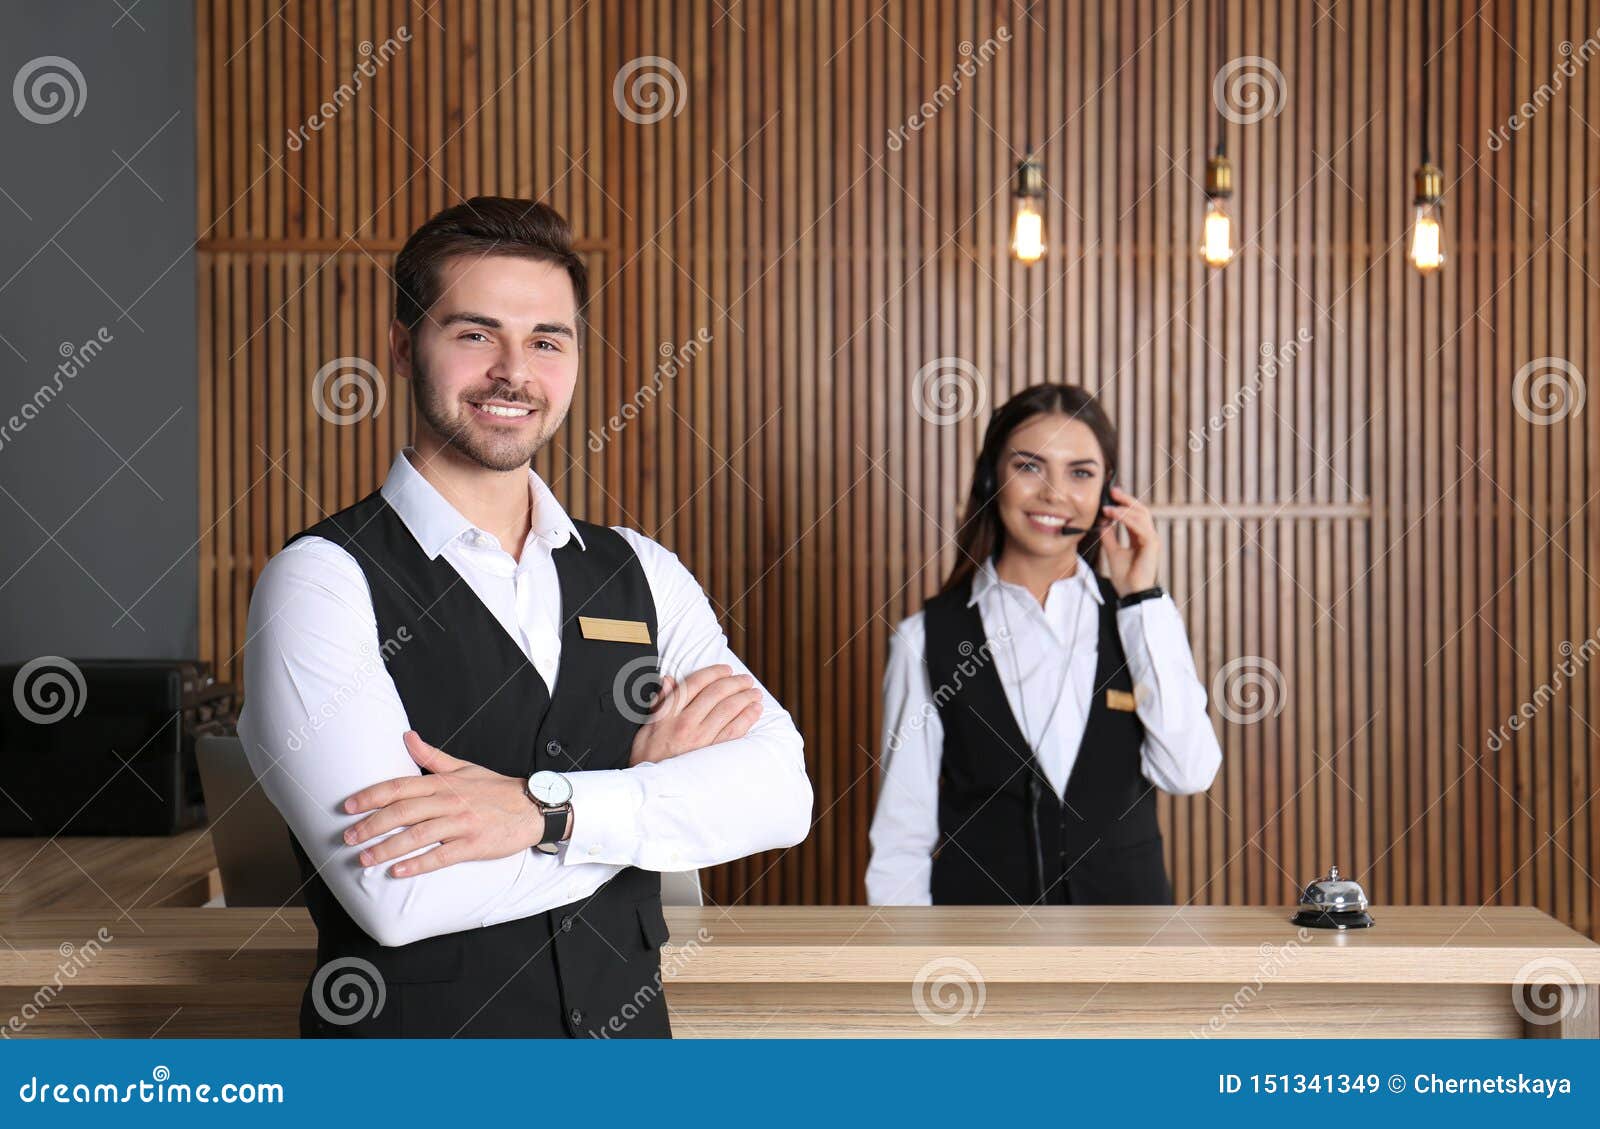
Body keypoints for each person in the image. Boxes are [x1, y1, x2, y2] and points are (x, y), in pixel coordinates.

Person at [236, 196, 812, 1038]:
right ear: (403, 348)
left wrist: (542, 811)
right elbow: (400, 894)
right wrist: (649, 807)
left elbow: (780, 795)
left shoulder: (643, 571)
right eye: (475, 334)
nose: (515, 370)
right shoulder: (320, 582)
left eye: (547, 340)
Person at [866, 384, 1220, 906]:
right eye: (1029, 467)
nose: (1055, 494)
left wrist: (1141, 599)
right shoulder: (925, 639)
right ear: (992, 479)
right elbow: (901, 837)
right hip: (982, 954)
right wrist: (911, 969)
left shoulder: (1138, 620)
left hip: (1130, 944)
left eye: (1081, 473)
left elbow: (1188, 770)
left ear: (1107, 494)